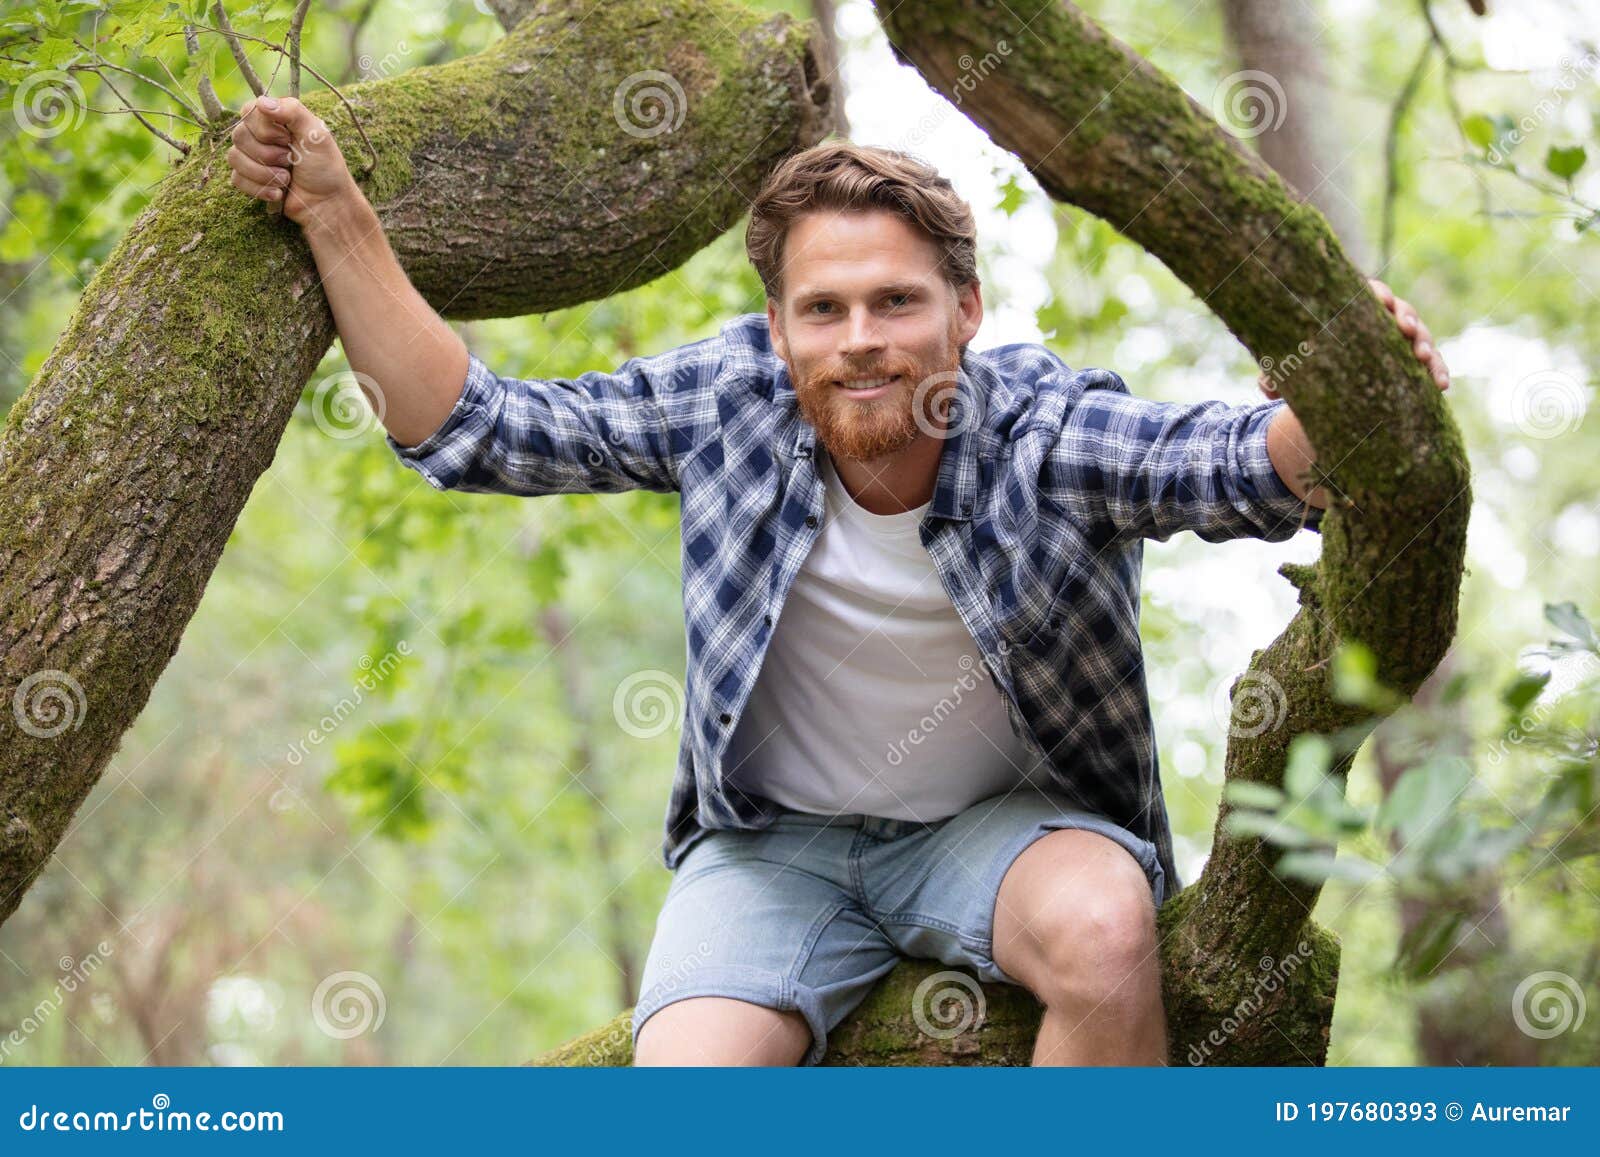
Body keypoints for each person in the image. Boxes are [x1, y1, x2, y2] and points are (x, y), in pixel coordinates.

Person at [227, 96, 1451, 1067]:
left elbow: (1236, 464)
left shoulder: (1041, 428)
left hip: (1005, 831)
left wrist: (1349, 385)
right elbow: (473, 429)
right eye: (823, 309)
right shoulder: (728, 400)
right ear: (777, 330)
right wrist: (334, 210)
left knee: (1103, 930)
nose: (859, 338)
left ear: (965, 311)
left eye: (895, 302)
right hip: (772, 852)